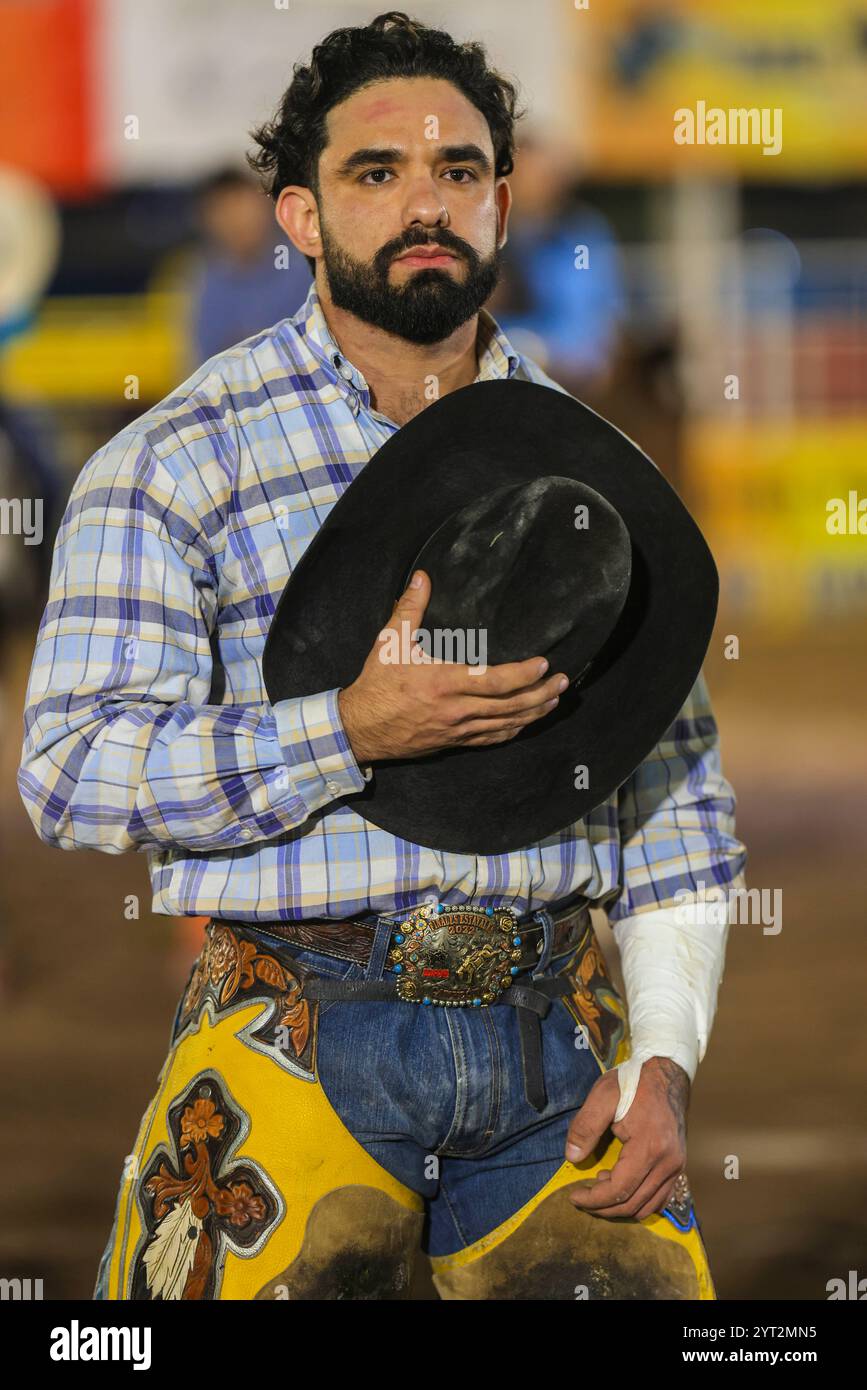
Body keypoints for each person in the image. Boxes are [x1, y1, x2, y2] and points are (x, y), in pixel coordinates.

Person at [17, 11, 746, 1301]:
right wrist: (349, 728)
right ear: (301, 215)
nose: (425, 202)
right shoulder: (175, 462)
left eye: (458, 172)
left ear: (504, 206)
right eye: (377, 173)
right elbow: (70, 772)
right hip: (286, 1026)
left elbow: (676, 800)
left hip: (557, 1053)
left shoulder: (594, 475)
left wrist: (665, 1062)